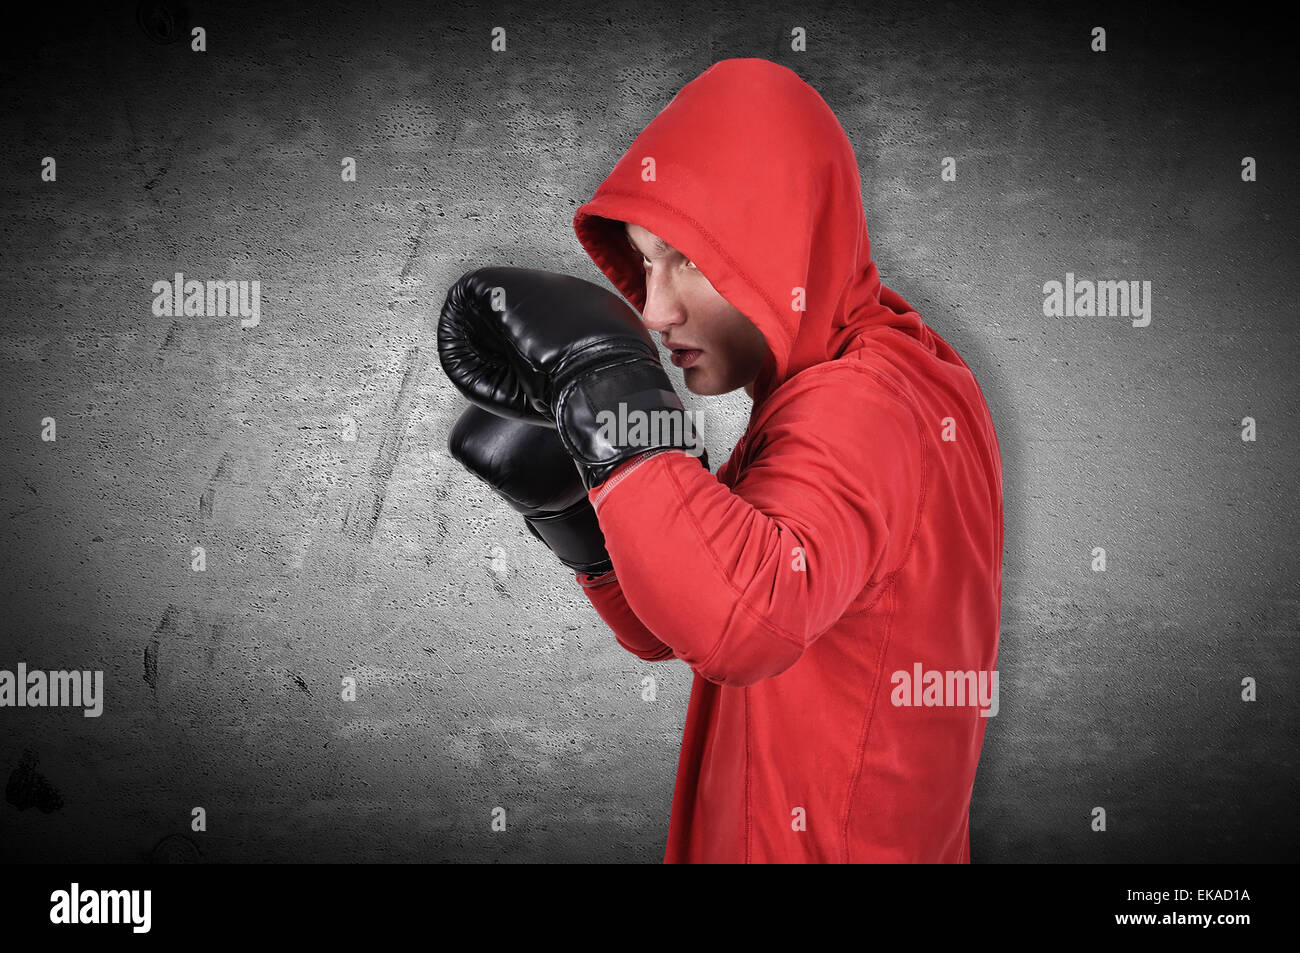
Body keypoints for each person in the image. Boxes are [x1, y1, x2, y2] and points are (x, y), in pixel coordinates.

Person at [439, 58, 1003, 863]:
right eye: (645, 261)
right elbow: (688, 613)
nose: (654, 308)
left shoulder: (858, 403)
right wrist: (577, 508)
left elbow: (743, 621)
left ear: (778, 240)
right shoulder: (890, 373)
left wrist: (606, 401)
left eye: (690, 260)